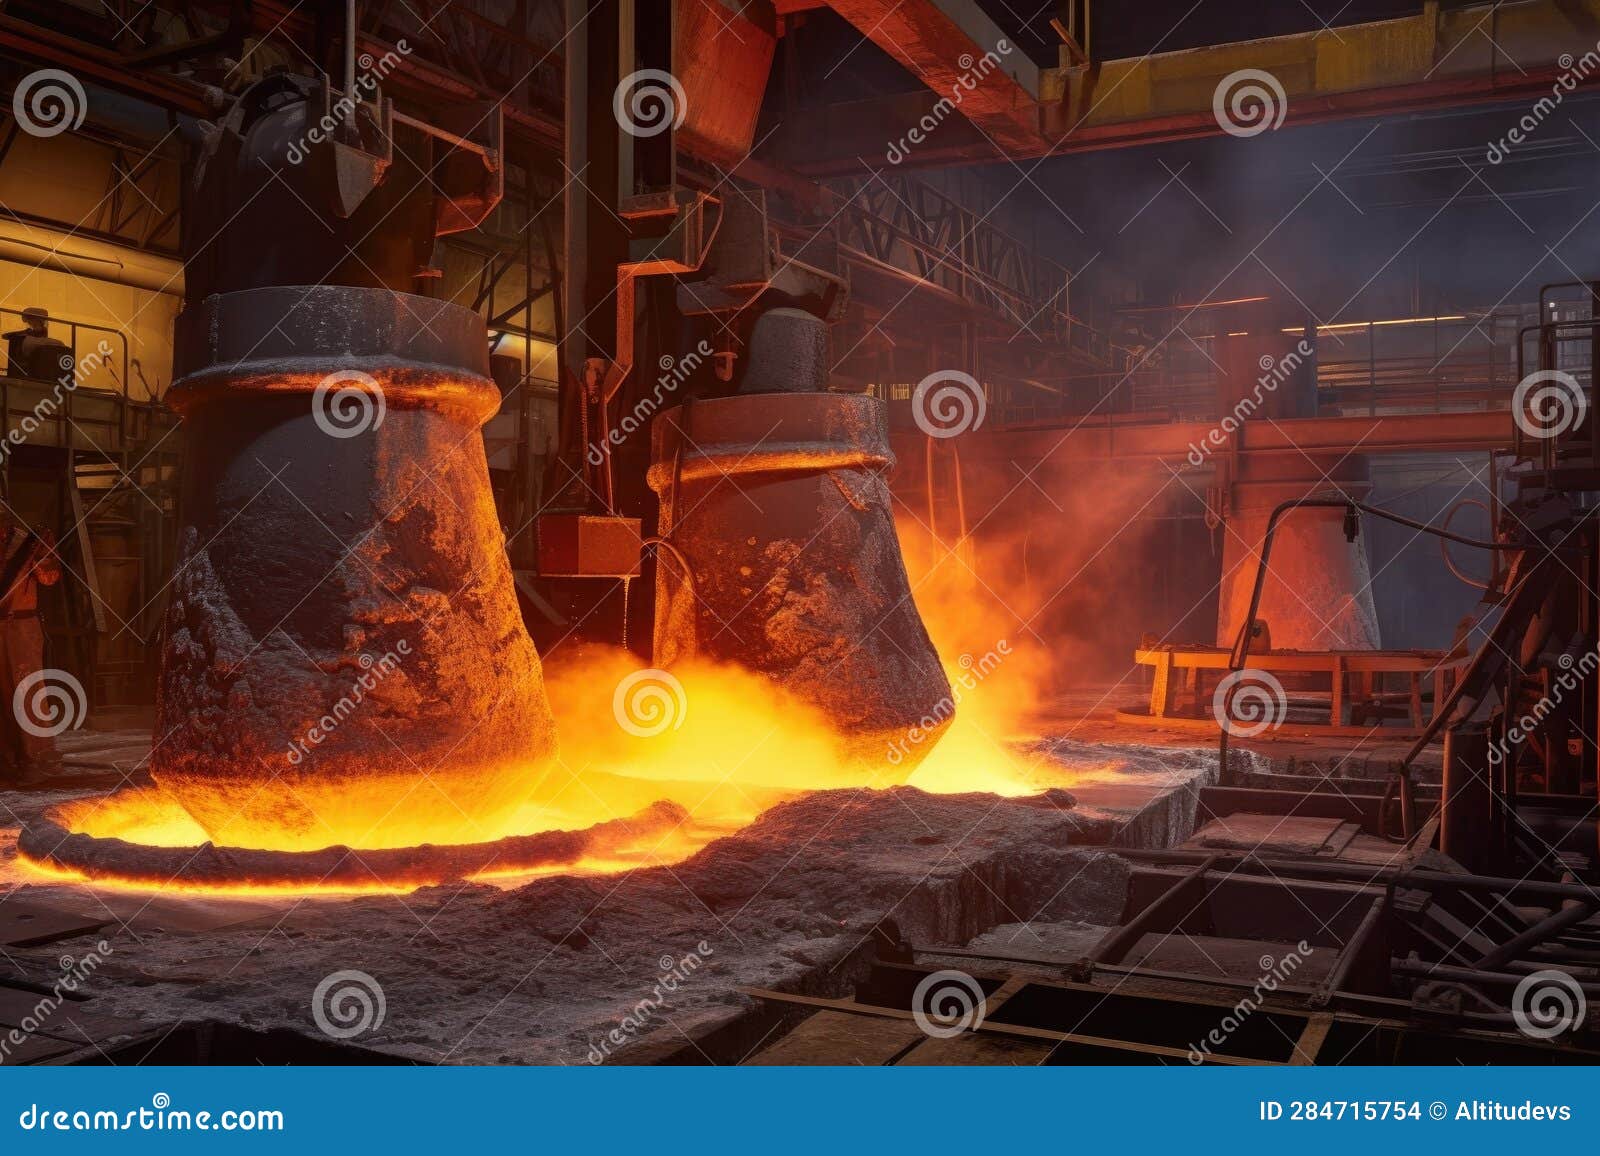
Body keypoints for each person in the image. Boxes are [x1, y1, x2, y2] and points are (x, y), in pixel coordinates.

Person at [0, 513, 63, 785]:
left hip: (21, 627)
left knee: (27, 691)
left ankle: (37, 758)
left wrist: (43, 556)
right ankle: (8, 761)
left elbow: (50, 577)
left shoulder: (27, 542)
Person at [2, 307, 70, 380]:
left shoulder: (22, 339)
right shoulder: (24, 339)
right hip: (28, 378)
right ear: (37, 322)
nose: (47, 325)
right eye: (44, 321)